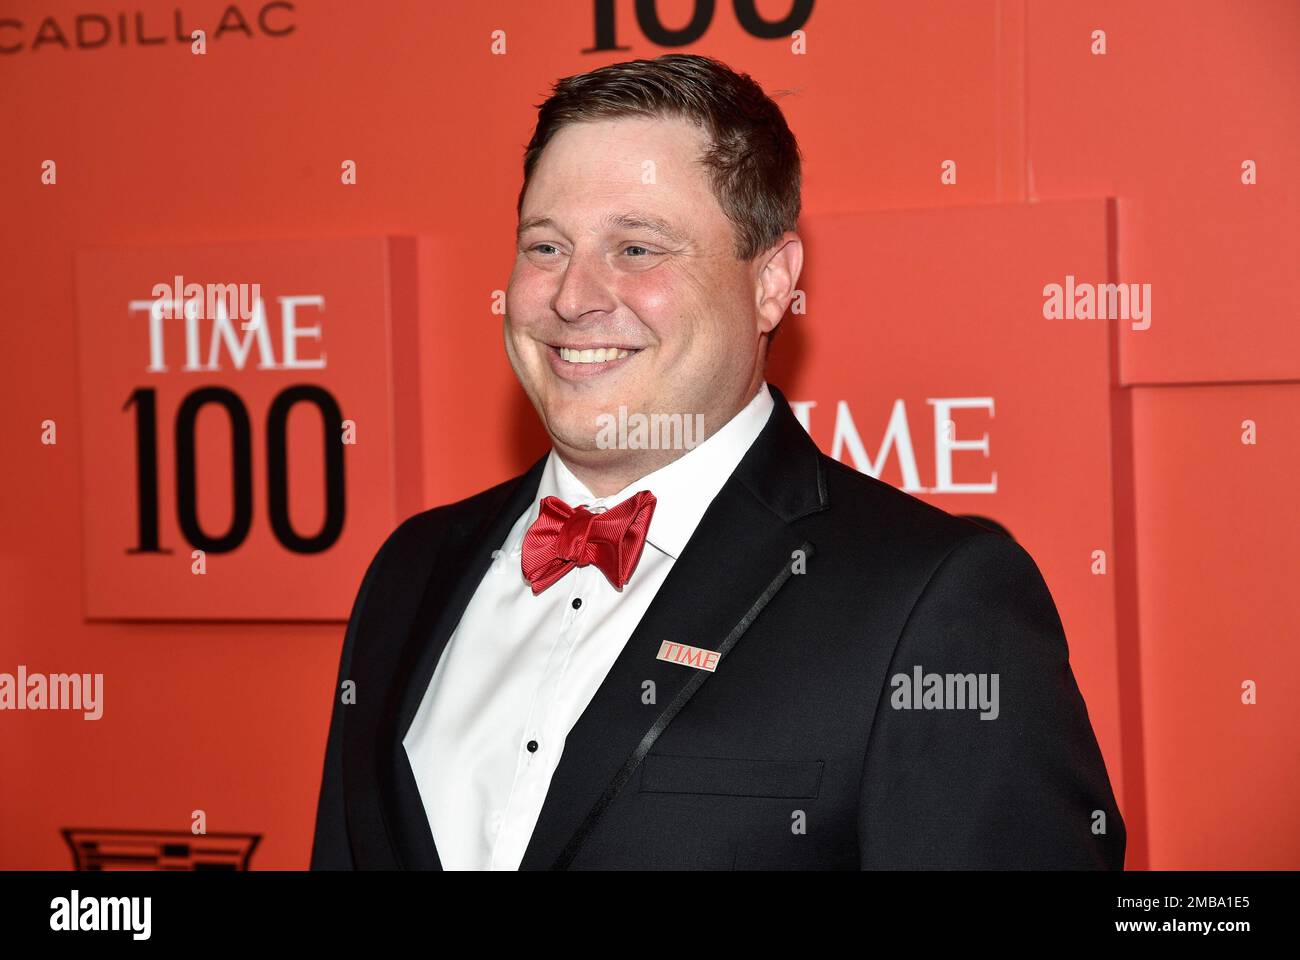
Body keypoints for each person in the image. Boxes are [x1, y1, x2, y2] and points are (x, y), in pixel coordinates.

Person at [311, 53, 1125, 870]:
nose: (572, 296)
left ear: (771, 283)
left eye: (636, 248)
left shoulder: (934, 603)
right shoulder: (411, 569)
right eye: (547, 246)